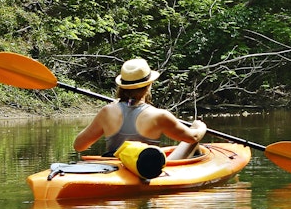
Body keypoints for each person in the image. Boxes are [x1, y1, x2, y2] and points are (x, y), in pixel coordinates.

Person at [74, 58, 206, 159]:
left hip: (113, 168)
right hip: (145, 171)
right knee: (194, 143)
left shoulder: (107, 111)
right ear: (149, 86)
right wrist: (198, 127)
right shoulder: (159, 115)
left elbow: (79, 146)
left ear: (122, 86)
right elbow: (192, 138)